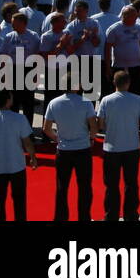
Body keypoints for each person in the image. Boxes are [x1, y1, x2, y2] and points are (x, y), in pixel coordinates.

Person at [96, 70, 140, 221]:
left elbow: (100, 124)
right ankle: (131, 215)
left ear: (114, 83)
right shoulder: (138, 99)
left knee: (111, 185)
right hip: (132, 147)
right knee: (131, 183)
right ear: (128, 83)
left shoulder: (106, 100)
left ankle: (111, 215)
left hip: (112, 148)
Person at [42, 86, 97, 221]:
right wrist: (90, 138)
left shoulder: (54, 103)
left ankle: (60, 218)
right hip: (82, 150)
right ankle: (84, 218)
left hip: (64, 150)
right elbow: (94, 127)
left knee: (62, 188)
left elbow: (46, 128)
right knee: (85, 187)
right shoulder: (86, 102)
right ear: (77, 87)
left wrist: (57, 138)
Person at [0, 89, 36, 221]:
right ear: (8, 101)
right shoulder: (19, 118)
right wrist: (33, 158)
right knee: (19, 202)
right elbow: (28, 143)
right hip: (17, 167)